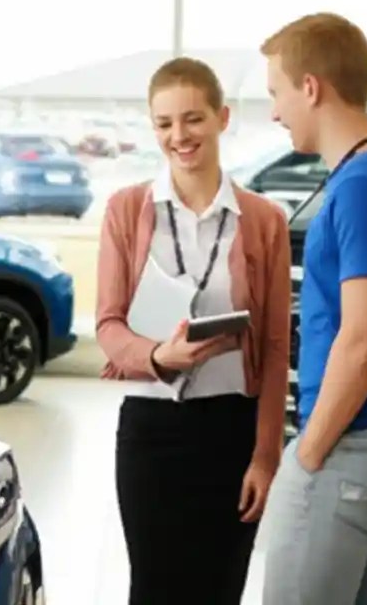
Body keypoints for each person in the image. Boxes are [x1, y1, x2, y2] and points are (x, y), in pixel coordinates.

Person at [96, 56, 292, 605]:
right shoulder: (126, 209)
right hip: (153, 431)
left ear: (223, 118)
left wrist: (266, 454)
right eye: (164, 124)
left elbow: (275, 347)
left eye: (193, 119)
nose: (179, 136)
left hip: (234, 432)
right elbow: (108, 326)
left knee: (220, 589)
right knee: (155, 589)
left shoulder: (263, 219)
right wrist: (160, 354)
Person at [257, 13, 367, 604]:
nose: (275, 112)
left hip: (351, 445)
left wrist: (307, 456)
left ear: (311, 88)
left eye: (277, 93)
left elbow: (365, 338)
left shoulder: (364, 187)